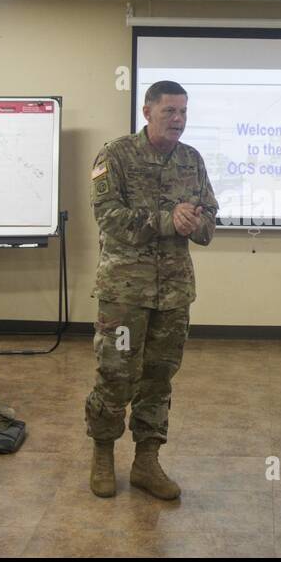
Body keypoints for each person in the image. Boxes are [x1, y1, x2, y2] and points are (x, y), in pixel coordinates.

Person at [86, 80, 217, 500]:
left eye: (183, 112)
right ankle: (103, 453)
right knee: (116, 376)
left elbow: (210, 217)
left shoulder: (192, 160)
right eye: (169, 112)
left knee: (159, 379)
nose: (178, 120)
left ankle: (146, 461)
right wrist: (166, 219)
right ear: (147, 112)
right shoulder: (115, 155)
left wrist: (196, 224)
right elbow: (109, 218)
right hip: (125, 293)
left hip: (174, 293)